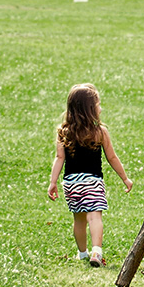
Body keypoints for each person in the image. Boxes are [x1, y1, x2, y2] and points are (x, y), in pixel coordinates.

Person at [47, 83, 133, 266]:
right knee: (94, 217)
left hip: (71, 183)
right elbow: (112, 157)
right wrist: (125, 178)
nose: (100, 108)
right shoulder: (100, 132)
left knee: (79, 220)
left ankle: (82, 253)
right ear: (90, 110)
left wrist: (53, 182)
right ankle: (97, 251)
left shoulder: (64, 132)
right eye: (98, 105)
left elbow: (59, 158)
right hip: (92, 182)